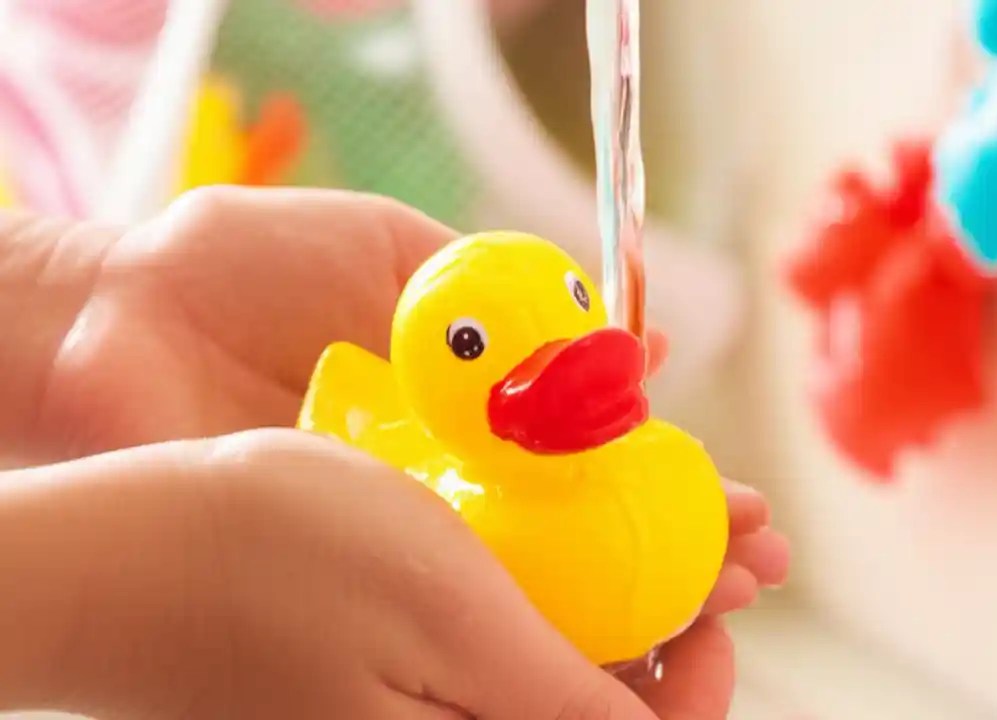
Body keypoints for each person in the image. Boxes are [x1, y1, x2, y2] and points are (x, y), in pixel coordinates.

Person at [0, 187, 789, 719]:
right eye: (470, 343)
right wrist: (129, 598)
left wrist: (87, 296)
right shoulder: (464, 524)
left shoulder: (653, 466)